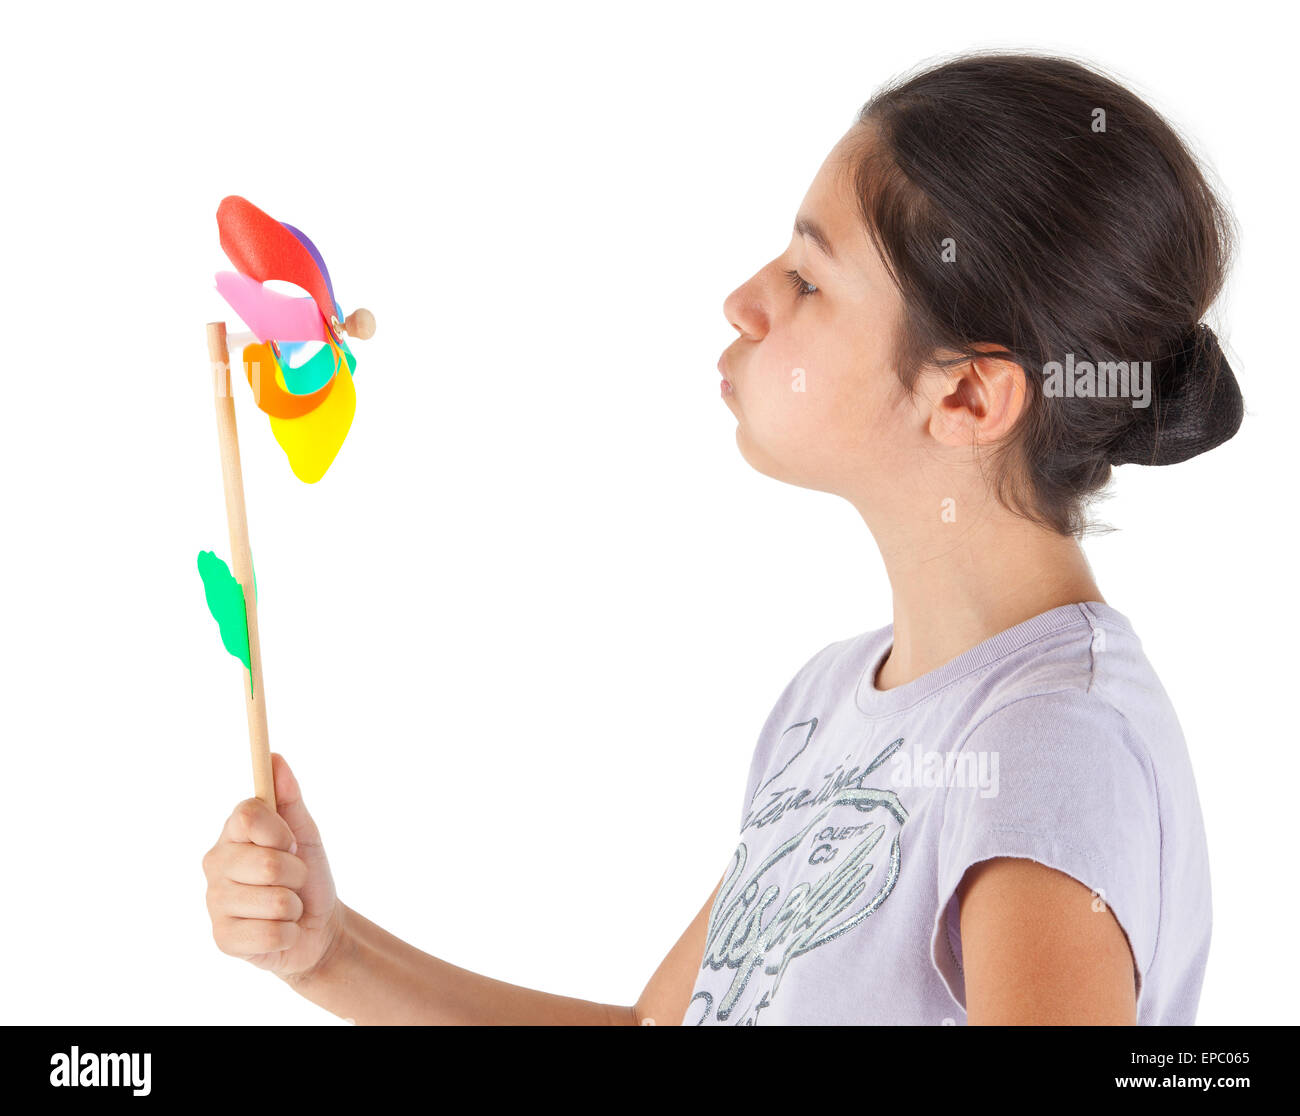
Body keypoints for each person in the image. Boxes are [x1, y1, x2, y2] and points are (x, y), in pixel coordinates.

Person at [202, 50, 1243, 1025]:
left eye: (807, 279)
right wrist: (327, 951)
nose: (744, 302)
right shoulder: (833, 702)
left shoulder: (1053, 748)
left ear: (968, 394)